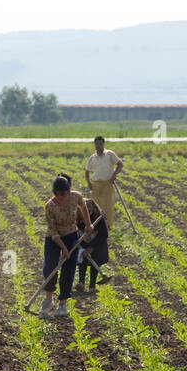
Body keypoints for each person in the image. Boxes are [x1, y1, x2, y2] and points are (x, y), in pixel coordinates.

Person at [40, 174, 94, 318]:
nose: (63, 197)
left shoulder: (76, 196)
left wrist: (88, 224)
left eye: (66, 193)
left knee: (68, 270)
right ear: (56, 193)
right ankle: (48, 300)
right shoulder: (50, 206)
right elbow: (52, 229)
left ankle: (62, 304)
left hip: (71, 236)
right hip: (54, 238)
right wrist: (63, 248)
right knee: (49, 267)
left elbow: (83, 207)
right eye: (60, 194)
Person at [84, 136, 123, 231]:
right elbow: (87, 171)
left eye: (100, 144)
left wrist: (114, 175)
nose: (98, 146)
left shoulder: (109, 154)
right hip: (96, 184)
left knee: (108, 205)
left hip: (107, 183)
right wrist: (89, 182)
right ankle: (97, 226)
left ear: (103, 144)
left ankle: (108, 226)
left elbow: (120, 164)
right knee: (96, 206)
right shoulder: (93, 157)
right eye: (96, 144)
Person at [77, 197, 111, 294]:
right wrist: (83, 247)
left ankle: (92, 286)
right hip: (83, 242)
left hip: (97, 243)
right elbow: (75, 233)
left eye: (89, 209)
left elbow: (104, 235)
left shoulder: (99, 218)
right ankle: (81, 283)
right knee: (82, 260)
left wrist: (92, 247)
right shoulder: (76, 218)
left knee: (95, 262)